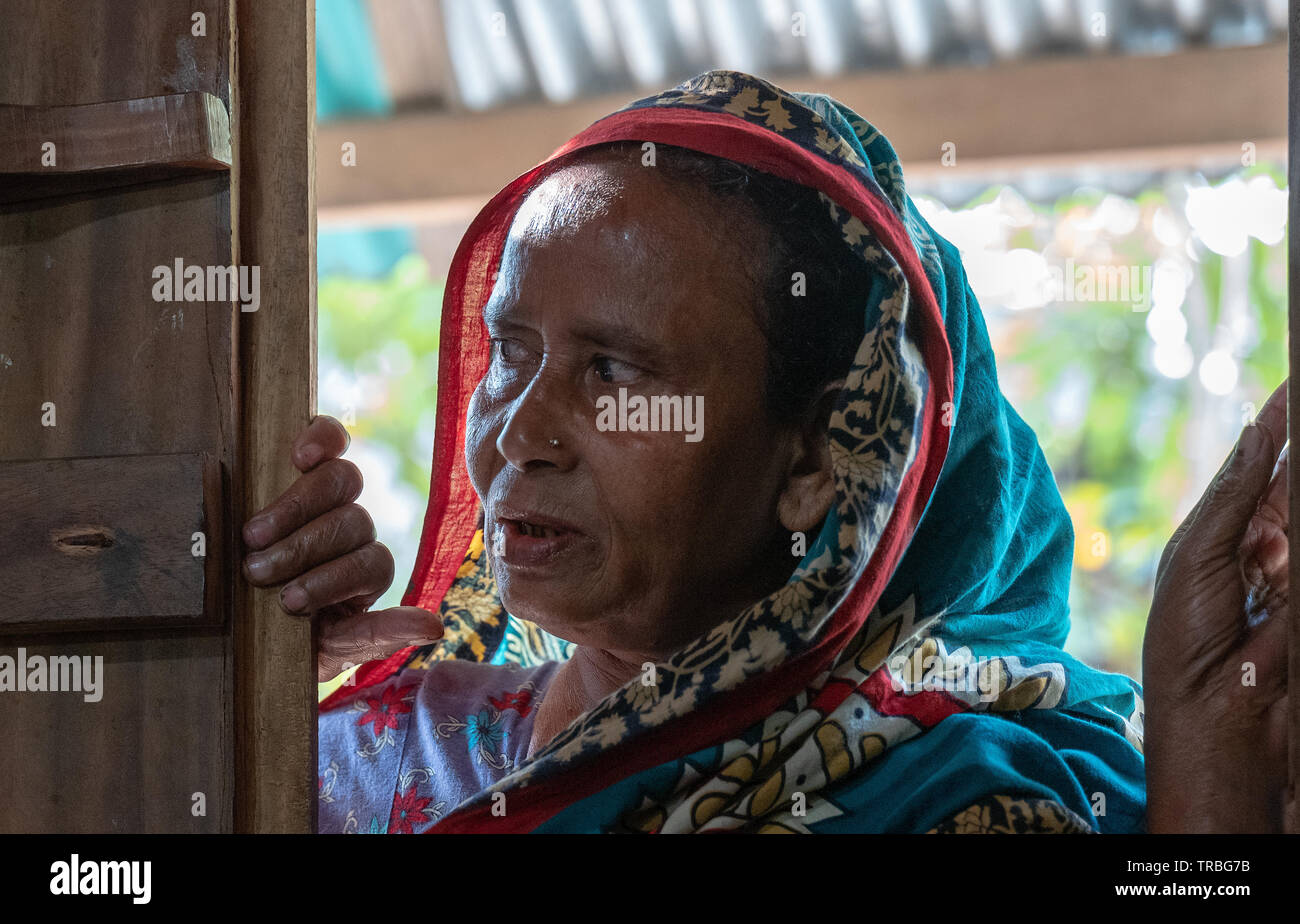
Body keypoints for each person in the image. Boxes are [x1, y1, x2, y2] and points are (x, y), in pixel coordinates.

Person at [242, 71, 1291, 833]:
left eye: (614, 372)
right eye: (511, 352)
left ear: (817, 460)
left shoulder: (967, 802)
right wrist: (232, 691)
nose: (518, 432)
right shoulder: (369, 754)